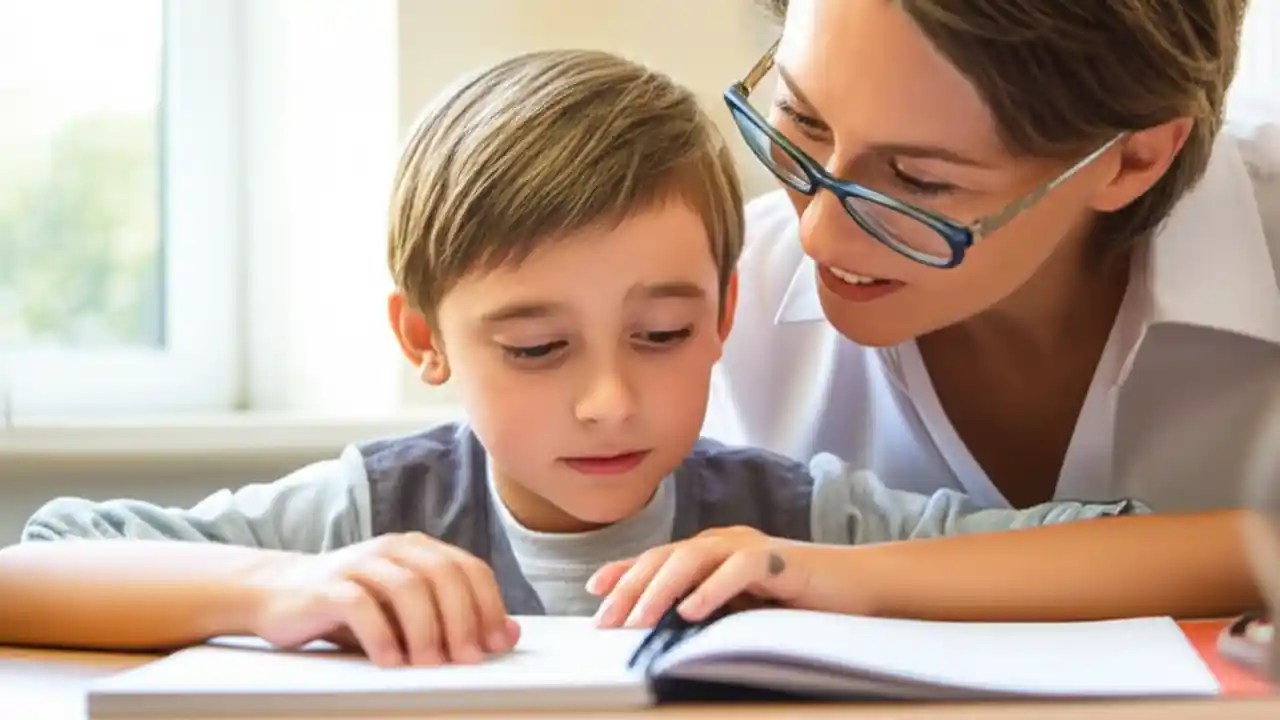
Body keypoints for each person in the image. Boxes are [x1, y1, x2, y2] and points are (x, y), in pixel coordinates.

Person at [0, 50, 1258, 669]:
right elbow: (29, 574)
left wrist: (834, 575)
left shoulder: (790, 519)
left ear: (724, 315)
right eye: (536, 345)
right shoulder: (369, 516)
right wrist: (276, 593)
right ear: (421, 341)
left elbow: (1206, 552)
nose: (608, 398)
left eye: (661, 335)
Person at [705, 0, 1280, 511]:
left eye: (919, 179)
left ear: (1133, 160)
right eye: (802, 119)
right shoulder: (706, 300)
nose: (818, 237)